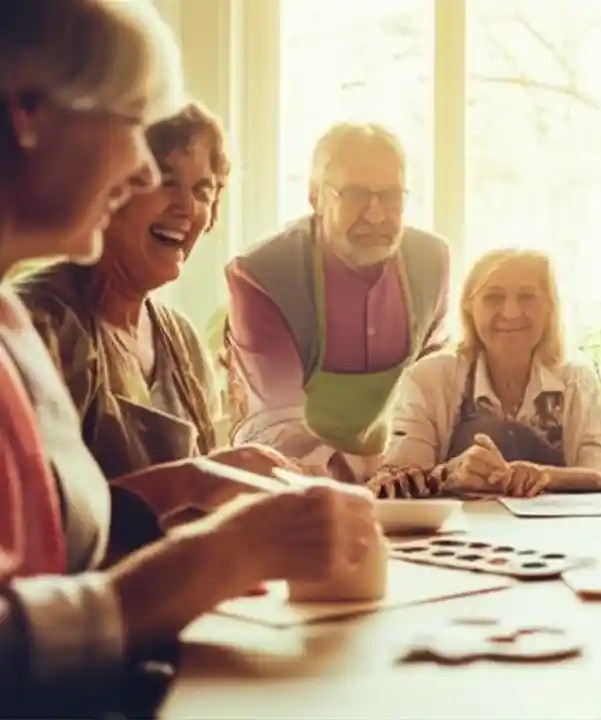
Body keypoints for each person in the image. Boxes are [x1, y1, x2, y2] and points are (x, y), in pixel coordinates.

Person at [0, 1, 374, 714]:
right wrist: (220, 556)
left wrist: (197, 481)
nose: (142, 172)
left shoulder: (10, 322)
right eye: (133, 124)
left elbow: (62, 542)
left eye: (201, 186)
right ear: (29, 111)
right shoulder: (38, 316)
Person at [14, 102, 297, 555]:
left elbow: (204, 517)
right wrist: (194, 480)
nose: (187, 207)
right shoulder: (38, 322)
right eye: (166, 181)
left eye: (204, 189)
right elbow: (36, 526)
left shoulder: (180, 339)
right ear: (112, 190)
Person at [224, 123, 451, 484]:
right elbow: (275, 424)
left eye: (391, 196)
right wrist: (375, 481)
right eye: (356, 195)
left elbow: (433, 390)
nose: (376, 215)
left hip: (401, 482)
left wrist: (412, 472)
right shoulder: (262, 274)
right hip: (296, 484)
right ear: (315, 196)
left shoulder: (432, 260)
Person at [372, 249, 601, 497]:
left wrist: (546, 475)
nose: (511, 313)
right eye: (493, 298)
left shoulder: (577, 380)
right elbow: (402, 478)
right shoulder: (428, 379)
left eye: (527, 297)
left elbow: (600, 475)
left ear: (550, 307)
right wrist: (452, 474)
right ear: (469, 307)